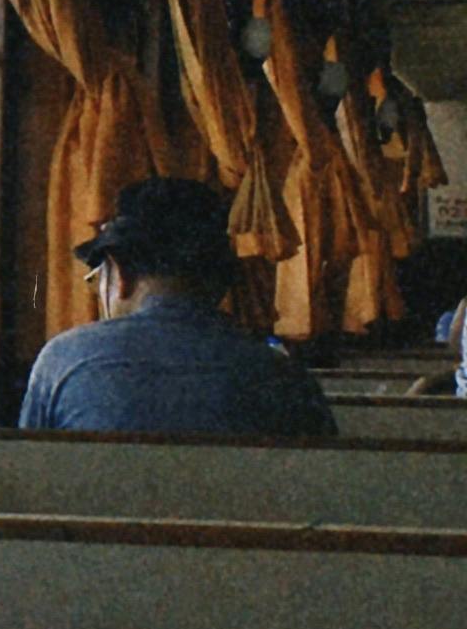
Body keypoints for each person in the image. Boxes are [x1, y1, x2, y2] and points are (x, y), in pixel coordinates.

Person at [18, 176, 337, 438]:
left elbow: (30, 481)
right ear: (219, 283)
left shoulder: (63, 362)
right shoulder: (287, 378)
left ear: (121, 272)